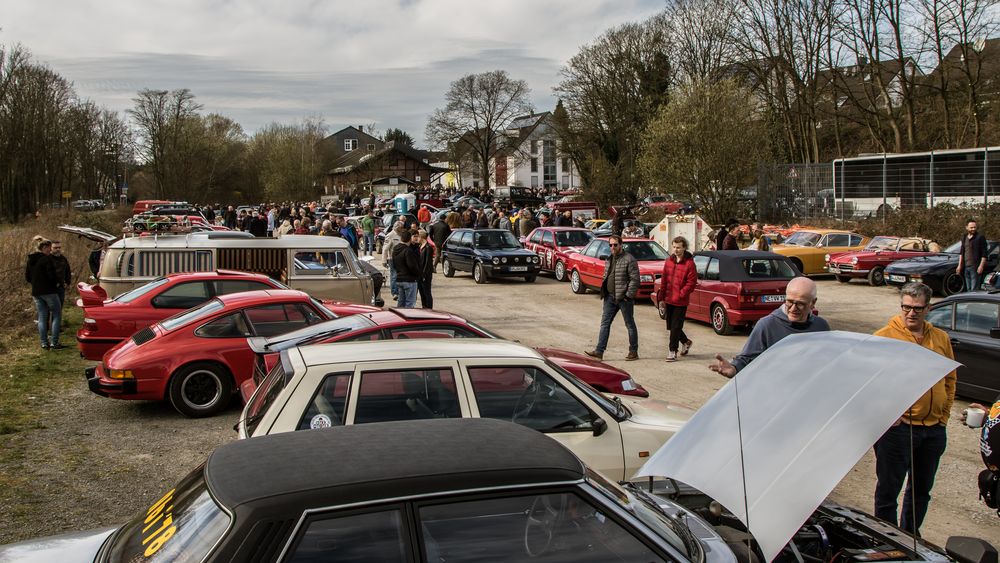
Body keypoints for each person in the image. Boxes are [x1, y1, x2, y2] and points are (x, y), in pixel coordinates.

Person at [872, 282, 955, 535]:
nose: (911, 313)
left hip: (933, 431)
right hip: (898, 431)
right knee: (889, 489)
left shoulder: (940, 338)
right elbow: (870, 384)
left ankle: (910, 536)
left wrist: (943, 415)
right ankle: (886, 539)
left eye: (917, 309)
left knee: (921, 491)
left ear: (928, 308)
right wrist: (886, 414)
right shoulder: (883, 338)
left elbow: (950, 378)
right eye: (906, 307)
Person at [709, 277, 829, 377]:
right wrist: (734, 368)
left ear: (813, 303)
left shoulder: (821, 327)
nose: (793, 308)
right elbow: (747, 358)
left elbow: (829, 360)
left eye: (800, 304)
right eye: (789, 302)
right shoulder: (767, 325)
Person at [585, 235, 640, 361]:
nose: (613, 247)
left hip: (624, 298)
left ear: (621, 245)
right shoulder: (609, 259)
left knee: (629, 324)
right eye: (610, 245)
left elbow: (635, 280)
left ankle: (633, 351)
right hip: (610, 297)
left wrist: (628, 295)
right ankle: (599, 351)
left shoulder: (629, 259)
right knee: (605, 324)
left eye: (615, 244)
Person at [655, 237, 697, 362]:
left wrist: (682, 293)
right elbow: (664, 280)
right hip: (668, 299)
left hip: (680, 301)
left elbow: (692, 282)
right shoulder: (669, 261)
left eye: (678, 247)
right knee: (672, 326)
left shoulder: (689, 263)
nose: (676, 250)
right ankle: (686, 341)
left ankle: (672, 351)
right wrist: (661, 297)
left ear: (684, 247)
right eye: (674, 247)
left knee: (675, 327)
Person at [28, 240, 63, 350]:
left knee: (42, 317)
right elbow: (52, 275)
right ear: (44, 248)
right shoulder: (47, 259)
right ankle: (54, 342)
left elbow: (27, 277)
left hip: (36, 292)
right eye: (49, 247)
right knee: (57, 314)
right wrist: (57, 283)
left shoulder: (31, 259)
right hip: (49, 291)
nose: (50, 250)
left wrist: (35, 284)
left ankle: (44, 342)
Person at [957, 219, 988, 292]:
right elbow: (962, 252)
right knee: (968, 289)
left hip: (975, 267)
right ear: (966, 227)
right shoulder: (964, 237)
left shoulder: (980, 237)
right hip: (966, 266)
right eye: (971, 227)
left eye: (975, 227)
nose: (973, 229)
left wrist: (981, 266)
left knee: (974, 289)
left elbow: (984, 253)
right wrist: (959, 265)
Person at [392, 230, 421, 307]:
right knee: (410, 303)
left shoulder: (395, 249)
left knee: (401, 302)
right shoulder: (408, 250)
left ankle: (399, 317)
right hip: (409, 280)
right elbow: (412, 266)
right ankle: (407, 318)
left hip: (399, 278)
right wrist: (418, 273)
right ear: (409, 239)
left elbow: (394, 264)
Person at [383, 221, 405, 300]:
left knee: (400, 276)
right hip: (392, 259)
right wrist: (384, 260)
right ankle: (394, 292)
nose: (402, 229)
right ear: (397, 227)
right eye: (401, 227)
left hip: (401, 259)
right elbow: (385, 249)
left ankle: (400, 291)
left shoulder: (402, 234)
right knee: (394, 276)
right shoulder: (390, 235)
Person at [50, 241, 72, 309]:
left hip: (61, 287)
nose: (58, 249)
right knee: (48, 308)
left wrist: (67, 282)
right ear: (51, 248)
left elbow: (68, 271)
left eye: (59, 247)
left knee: (59, 307)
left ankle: (56, 319)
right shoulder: (48, 259)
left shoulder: (63, 258)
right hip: (49, 287)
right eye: (55, 248)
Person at [417, 229, 435, 308]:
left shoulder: (428, 248)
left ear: (421, 237)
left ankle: (429, 308)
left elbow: (428, 263)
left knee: (427, 292)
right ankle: (424, 307)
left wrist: (424, 275)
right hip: (420, 274)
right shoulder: (420, 246)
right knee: (421, 292)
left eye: (418, 237)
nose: (417, 239)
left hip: (426, 274)